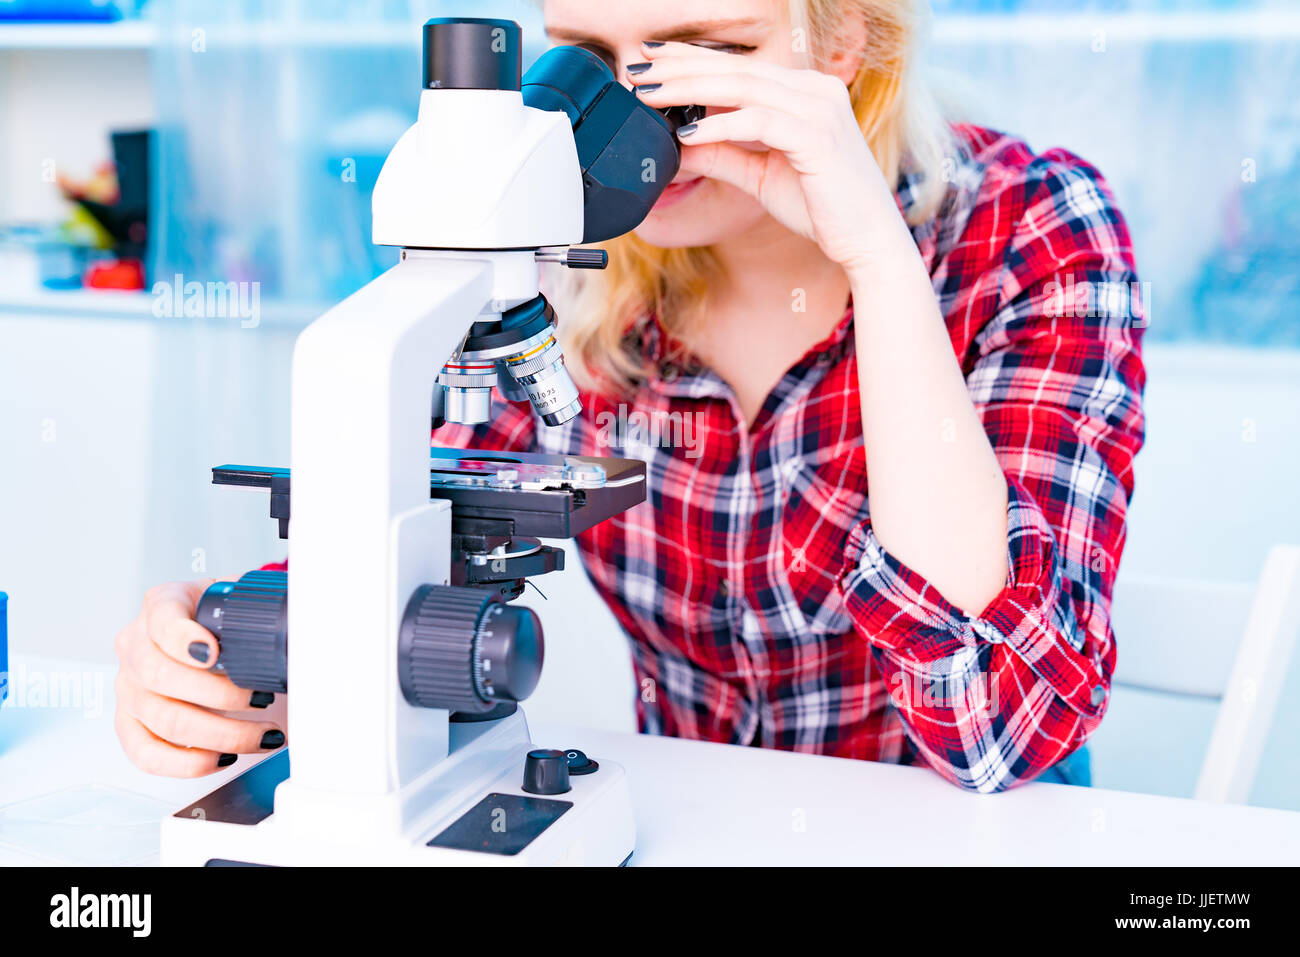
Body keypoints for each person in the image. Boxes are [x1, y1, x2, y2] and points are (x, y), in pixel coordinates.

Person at [113, 0, 1143, 791]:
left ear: (839, 46)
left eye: (703, 55)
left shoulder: (1031, 232)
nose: (629, 120)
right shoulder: (561, 266)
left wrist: (877, 261)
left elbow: (996, 733)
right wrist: (232, 656)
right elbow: (399, 531)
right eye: (590, 63)